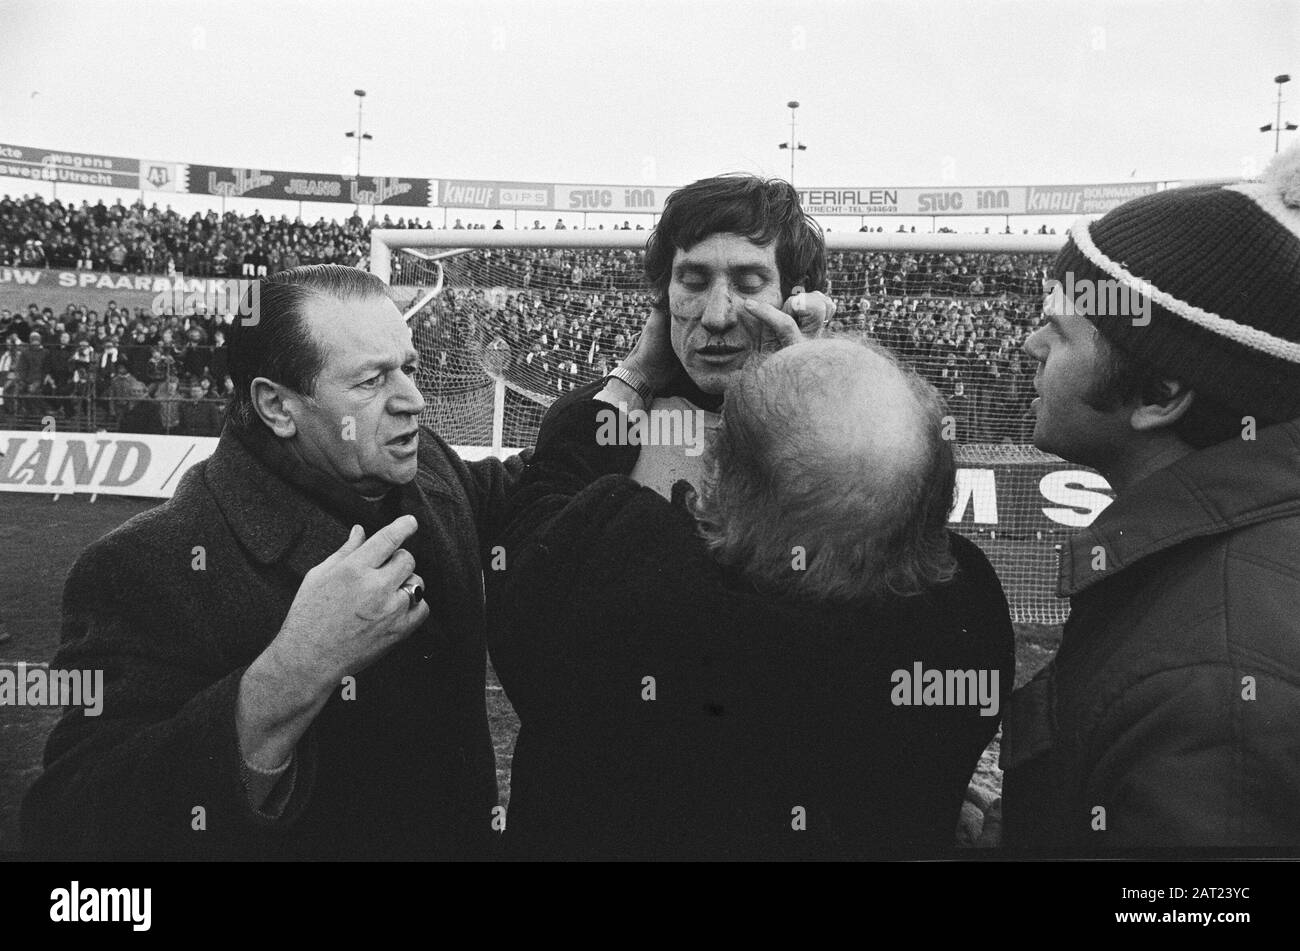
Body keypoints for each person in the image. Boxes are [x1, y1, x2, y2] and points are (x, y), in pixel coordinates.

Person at [23, 264, 522, 858]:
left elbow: (527, 488)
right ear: (277, 406)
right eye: (370, 381)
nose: (413, 401)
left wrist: (632, 387)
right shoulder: (147, 566)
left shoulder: (426, 466)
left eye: (408, 368)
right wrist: (294, 671)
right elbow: (74, 826)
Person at [488, 335, 1015, 858]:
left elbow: (543, 505)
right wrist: (813, 395)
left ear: (717, 489)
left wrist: (635, 375)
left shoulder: (634, 594)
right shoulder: (968, 620)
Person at [1002, 145, 1300, 849]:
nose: (1027, 344)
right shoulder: (1221, 570)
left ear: (1161, 394)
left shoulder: (1213, 689)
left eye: (1060, 329)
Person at [542, 174, 835, 500]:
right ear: (664, 297)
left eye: (749, 284)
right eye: (694, 282)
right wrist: (634, 379)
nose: (716, 317)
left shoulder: (843, 432)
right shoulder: (591, 417)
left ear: (796, 296)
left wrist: (806, 390)